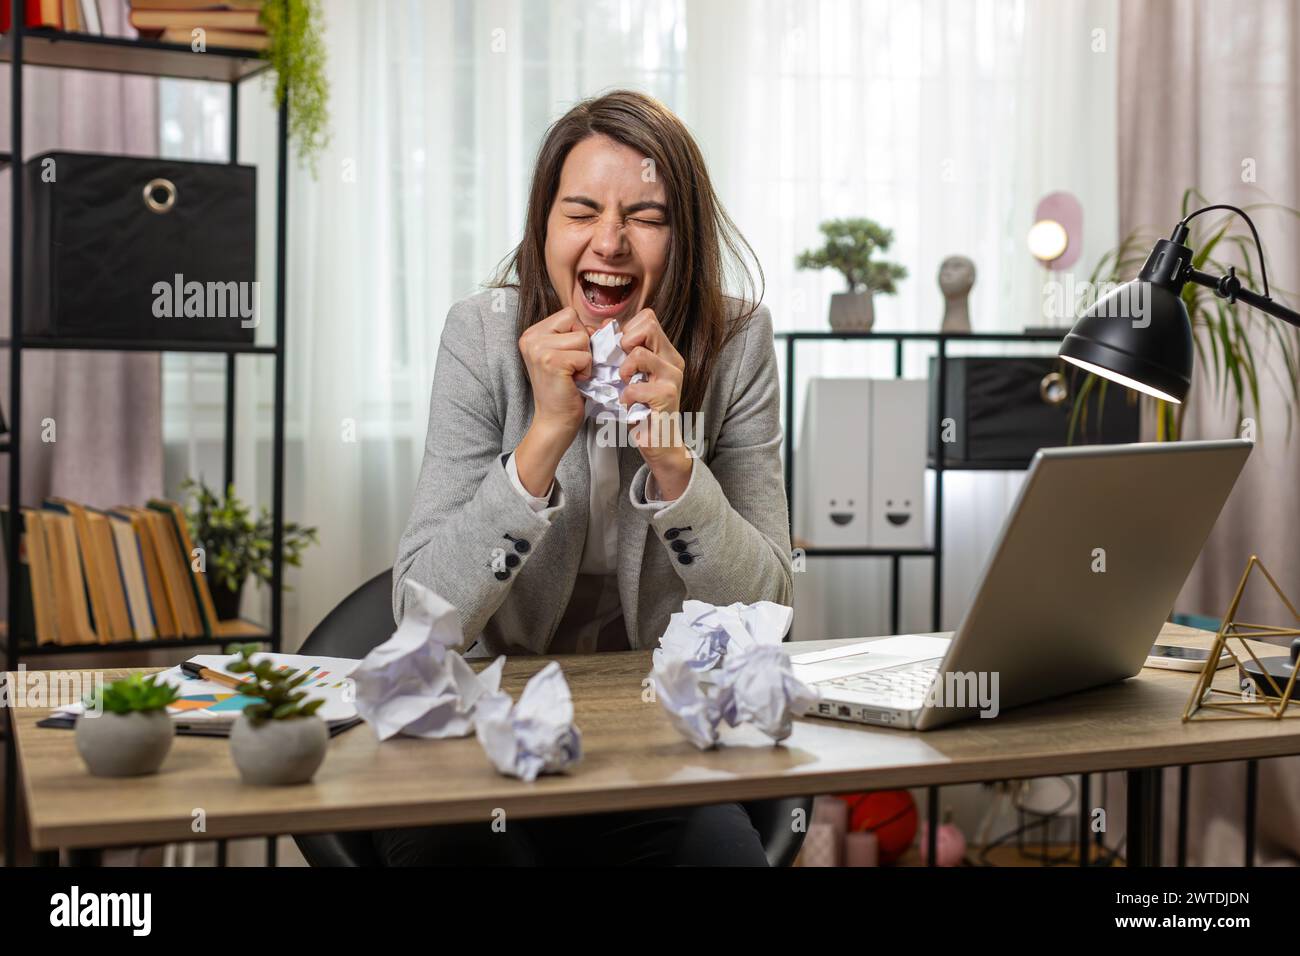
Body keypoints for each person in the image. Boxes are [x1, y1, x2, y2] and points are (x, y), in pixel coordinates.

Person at [378, 90, 791, 866]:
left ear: (685, 238)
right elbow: (423, 615)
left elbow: (767, 608)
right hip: (479, 739)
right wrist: (545, 435)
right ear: (544, 231)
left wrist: (672, 457)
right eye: (581, 212)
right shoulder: (482, 337)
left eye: (646, 216)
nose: (611, 242)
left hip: (658, 745)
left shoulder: (735, 344)